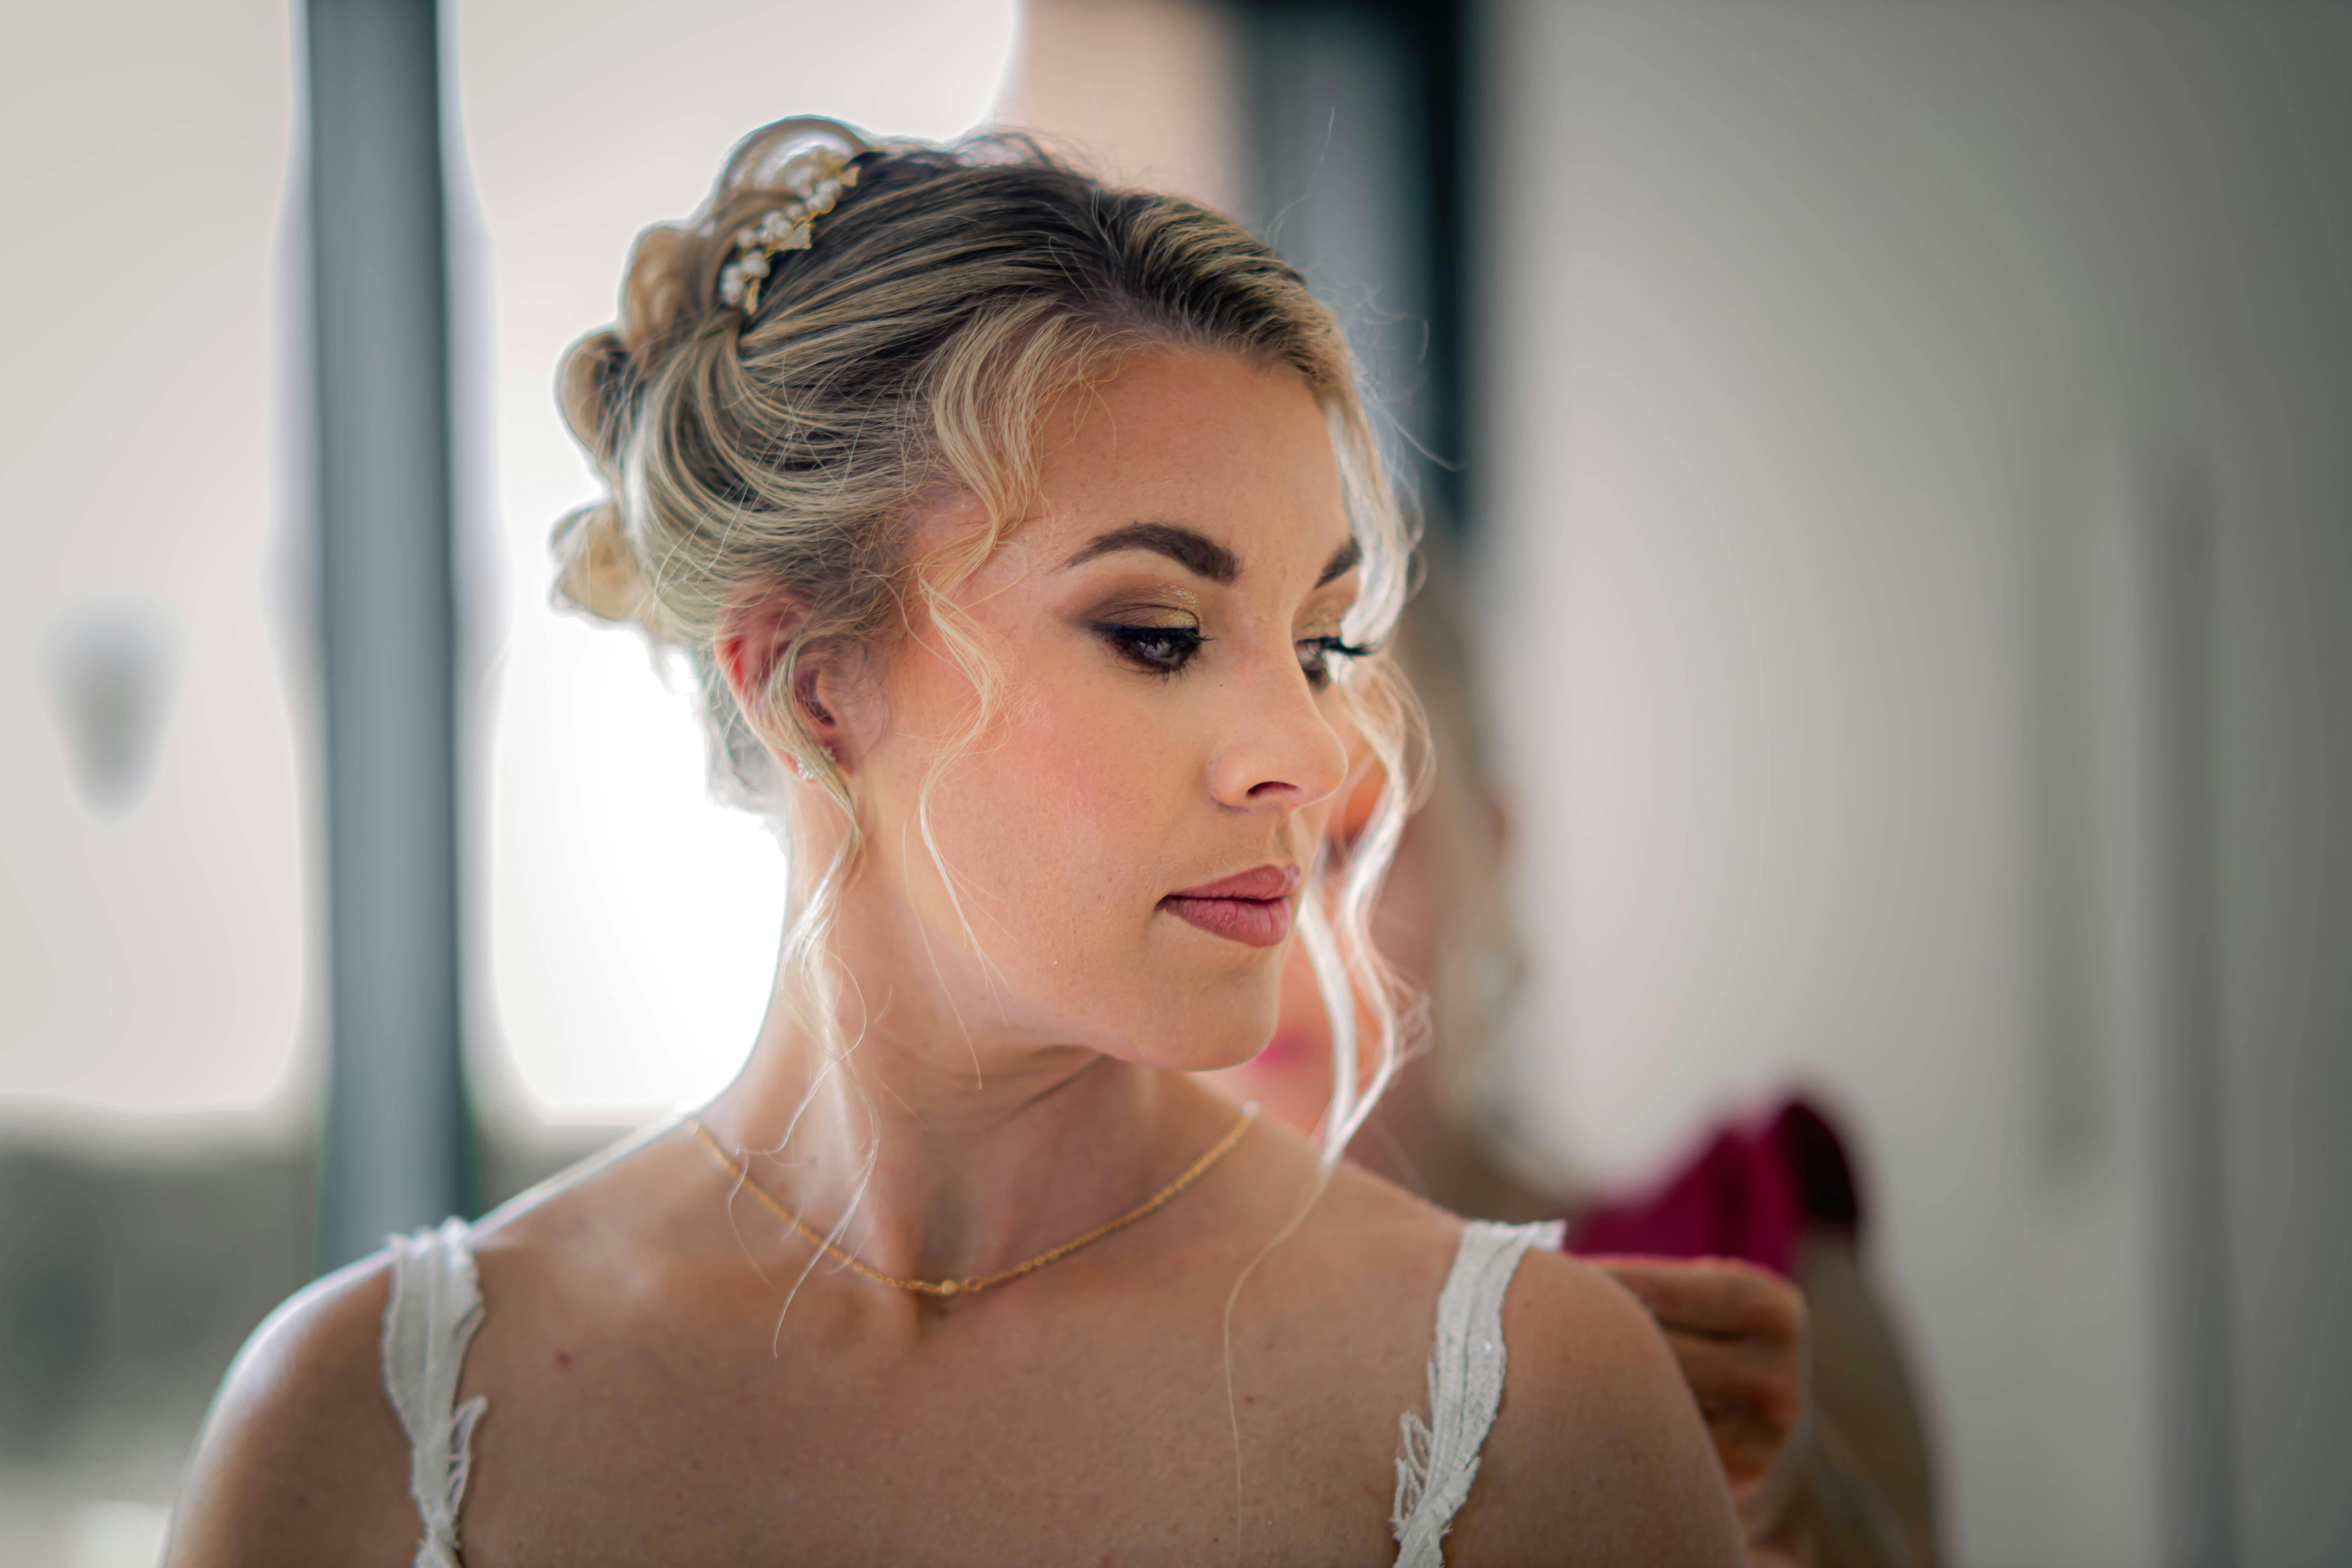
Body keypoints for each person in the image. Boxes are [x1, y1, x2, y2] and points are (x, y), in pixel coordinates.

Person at [166, 120, 1743, 1566]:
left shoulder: (1527, 1409)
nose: (1318, 755)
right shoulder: (365, 1430)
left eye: (1321, 642)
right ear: (811, 685)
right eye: (1157, 631)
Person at [1209, 551, 1941, 1568]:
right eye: (1214, 857)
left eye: (1350, 852)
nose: (1274, 932)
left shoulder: (1750, 1299)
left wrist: (1789, 1523)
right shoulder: (1011, 1342)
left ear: (1490, 849)